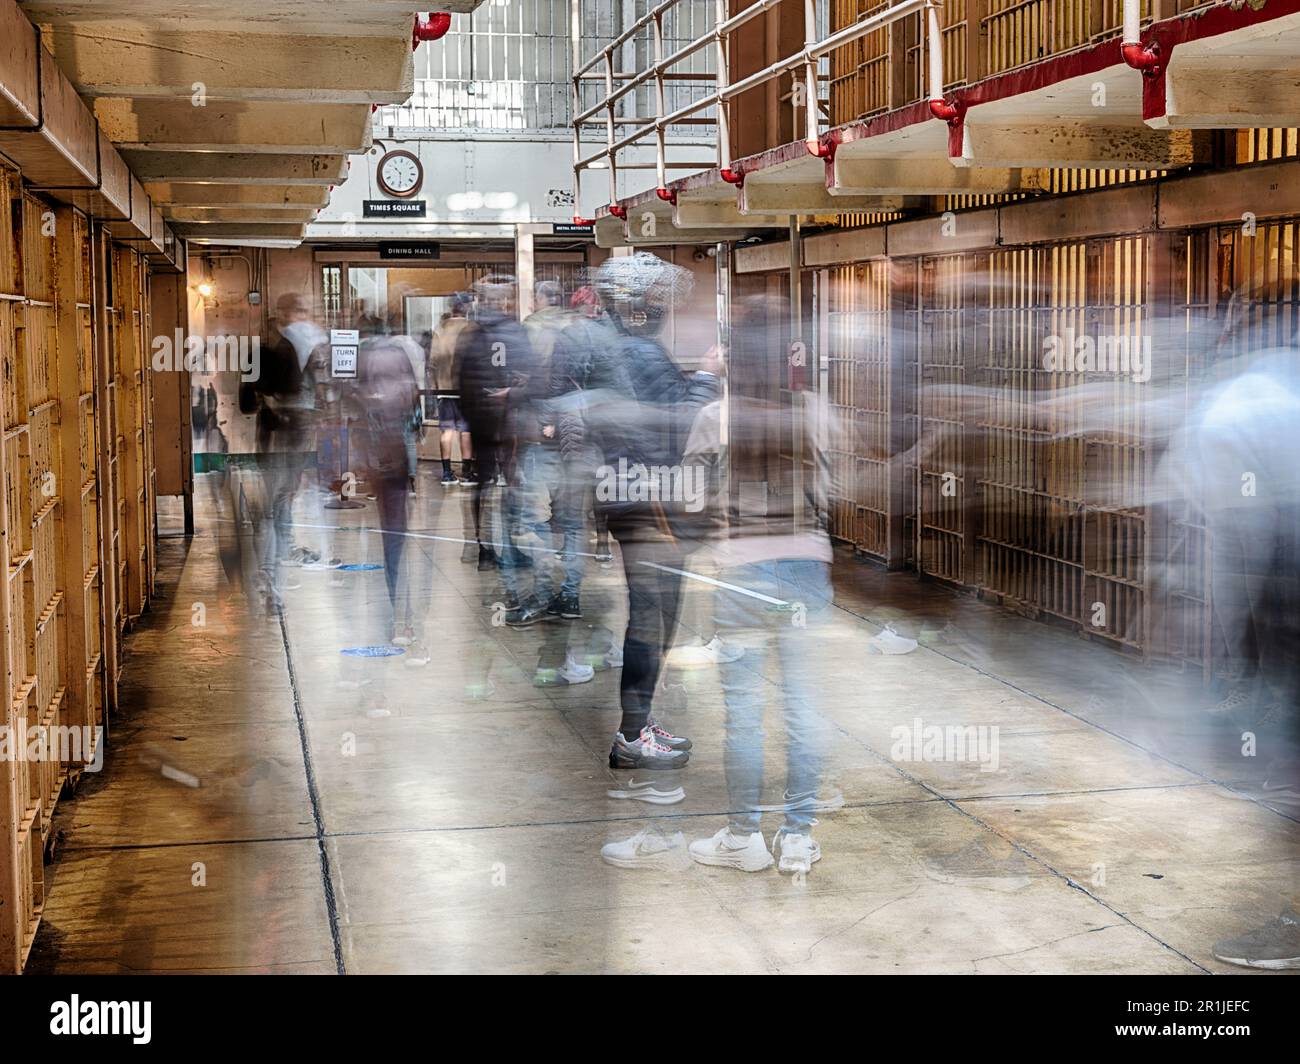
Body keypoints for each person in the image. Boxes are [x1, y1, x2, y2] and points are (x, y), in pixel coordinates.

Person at [584, 252, 720, 770]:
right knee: (651, 617)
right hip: (652, 503)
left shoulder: (623, 348)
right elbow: (679, 425)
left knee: (654, 615)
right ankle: (632, 733)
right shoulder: (638, 353)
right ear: (637, 305)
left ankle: (639, 722)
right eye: (656, 297)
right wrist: (707, 378)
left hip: (634, 497)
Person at [354, 336, 429, 663]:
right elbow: (413, 415)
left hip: (384, 466)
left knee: (393, 543)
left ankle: (400, 618)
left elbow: (358, 415)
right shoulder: (399, 362)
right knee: (399, 543)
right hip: (395, 464)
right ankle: (406, 619)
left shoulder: (368, 366)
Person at [429, 294, 475, 487]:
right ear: (465, 307)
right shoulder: (472, 328)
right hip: (466, 388)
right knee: (466, 430)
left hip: (444, 388)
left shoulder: (439, 330)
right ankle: (467, 471)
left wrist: (435, 387)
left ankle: (447, 473)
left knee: (446, 430)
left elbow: (432, 362)